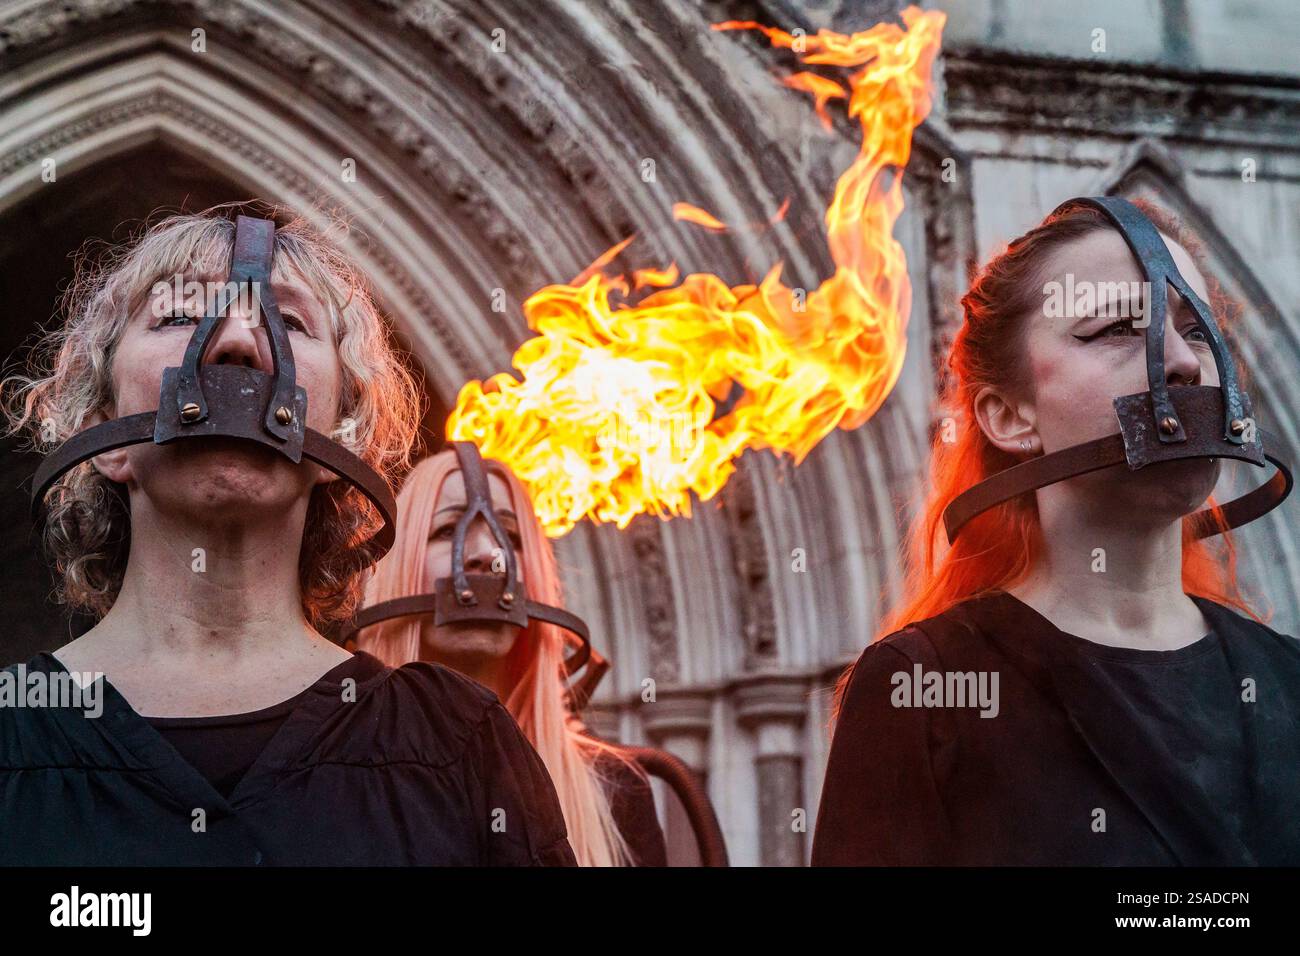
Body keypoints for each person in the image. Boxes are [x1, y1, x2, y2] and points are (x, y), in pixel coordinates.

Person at [0, 206, 576, 866]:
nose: (237, 344)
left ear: (340, 434)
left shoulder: (459, 745)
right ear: (104, 430)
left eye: (291, 321)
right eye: (181, 314)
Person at [812, 198, 1300, 866]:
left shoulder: (1289, 681)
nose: (1183, 364)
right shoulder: (927, 689)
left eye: (1195, 328)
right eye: (1117, 329)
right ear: (1011, 416)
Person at [354, 446, 668, 866]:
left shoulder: (615, 789)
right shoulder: (333, 777)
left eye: (511, 536)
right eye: (447, 531)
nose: (487, 554)